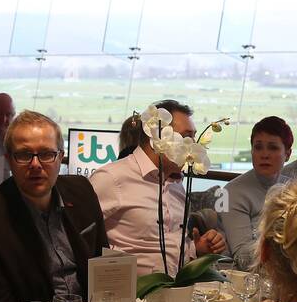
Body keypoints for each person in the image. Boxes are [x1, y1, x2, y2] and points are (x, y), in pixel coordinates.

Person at [0, 111, 108, 302]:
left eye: (46, 154)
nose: (35, 164)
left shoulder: (81, 190)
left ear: (60, 157)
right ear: (8, 159)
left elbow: (104, 264)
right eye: (24, 155)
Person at [89, 99, 226, 276]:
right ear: (159, 135)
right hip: (130, 293)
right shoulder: (112, 178)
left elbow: (171, 246)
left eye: (194, 137)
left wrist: (196, 249)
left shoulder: (175, 184)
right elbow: (77, 237)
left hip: (173, 292)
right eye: (187, 136)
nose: (194, 145)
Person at [220, 116, 293, 270]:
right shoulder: (231, 192)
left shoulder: (294, 188)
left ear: (288, 154)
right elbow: (242, 257)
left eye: (273, 147)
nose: (264, 154)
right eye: (258, 147)